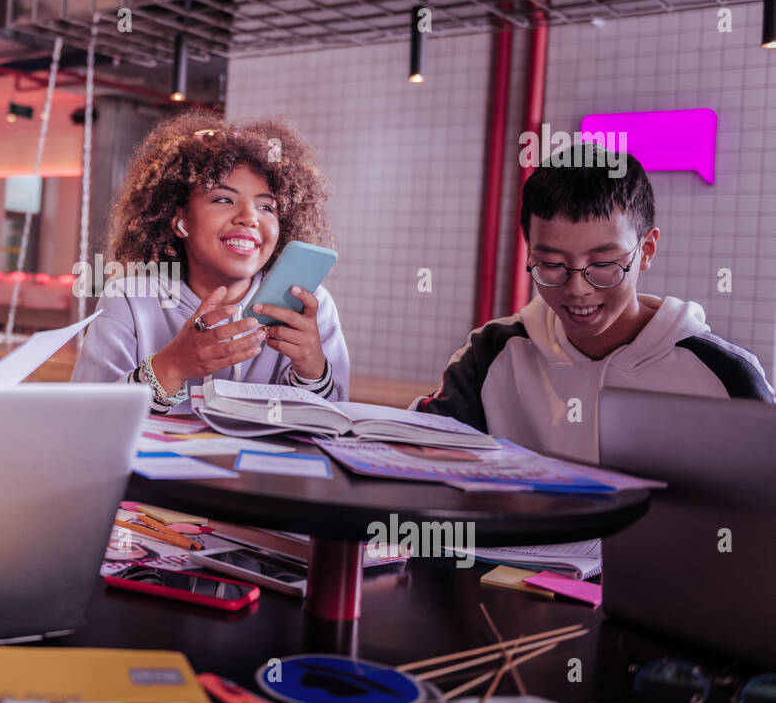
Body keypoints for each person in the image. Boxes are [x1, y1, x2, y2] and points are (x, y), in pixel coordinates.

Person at [413, 145, 773, 463]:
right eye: (551, 264)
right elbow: (413, 452)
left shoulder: (724, 375)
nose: (577, 288)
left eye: (602, 264)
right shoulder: (490, 354)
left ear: (646, 250)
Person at [71, 111, 349, 412]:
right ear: (180, 221)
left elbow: (333, 424)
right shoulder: (129, 299)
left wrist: (312, 372)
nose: (250, 218)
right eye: (224, 199)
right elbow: (86, 415)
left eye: (266, 206)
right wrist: (171, 367)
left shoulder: (307, 305)